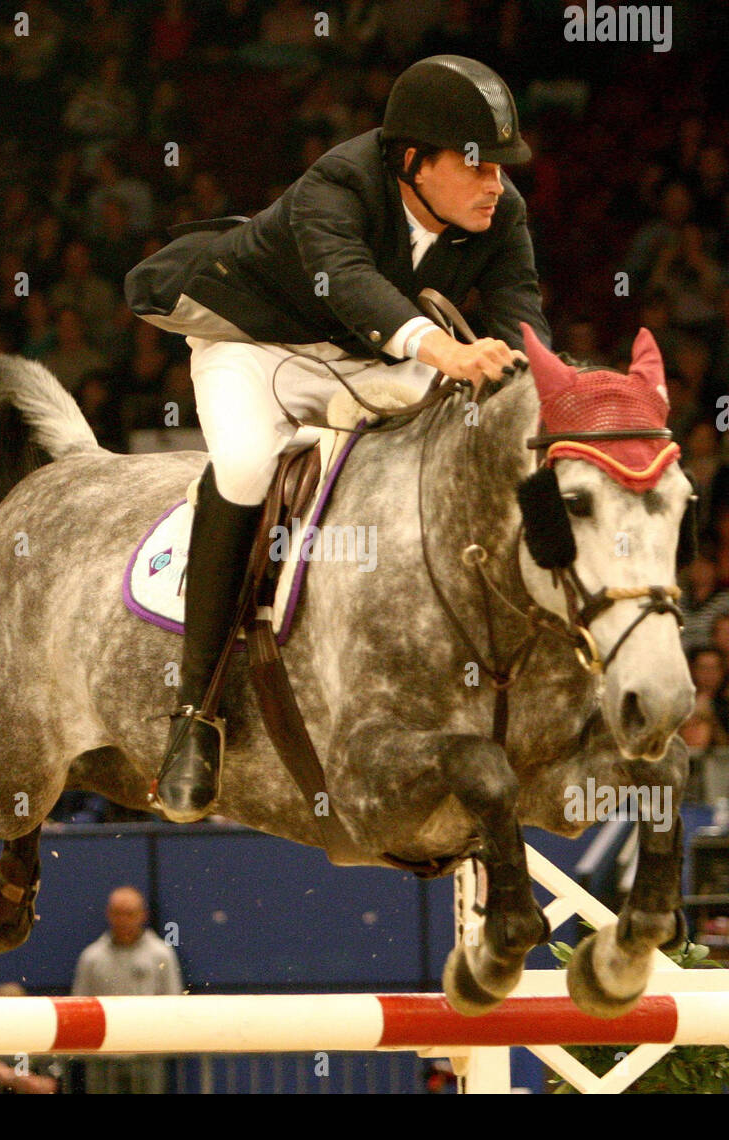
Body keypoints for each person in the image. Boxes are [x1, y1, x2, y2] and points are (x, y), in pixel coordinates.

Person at [125, 55, 548, 822]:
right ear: (413, 161)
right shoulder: (338, 184)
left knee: (460, 427)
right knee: (250, 467)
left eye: (501, 167)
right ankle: (196, 715)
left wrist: (547, 394)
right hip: (253, 348)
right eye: (478, 164)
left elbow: (522, 316)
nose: (496, 183)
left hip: (361, 360)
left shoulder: (501, 212)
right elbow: (350, 282)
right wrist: (447, 350)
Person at [71, 886, 183, 1094]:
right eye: (118, 913)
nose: (123, 920)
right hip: (102, 1058)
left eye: (129, 914)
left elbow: (173, 1003)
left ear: (143, 915)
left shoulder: (161, 954)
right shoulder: (92, 957)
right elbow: (78, 1006)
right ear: (108, 914)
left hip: (147, 1056)